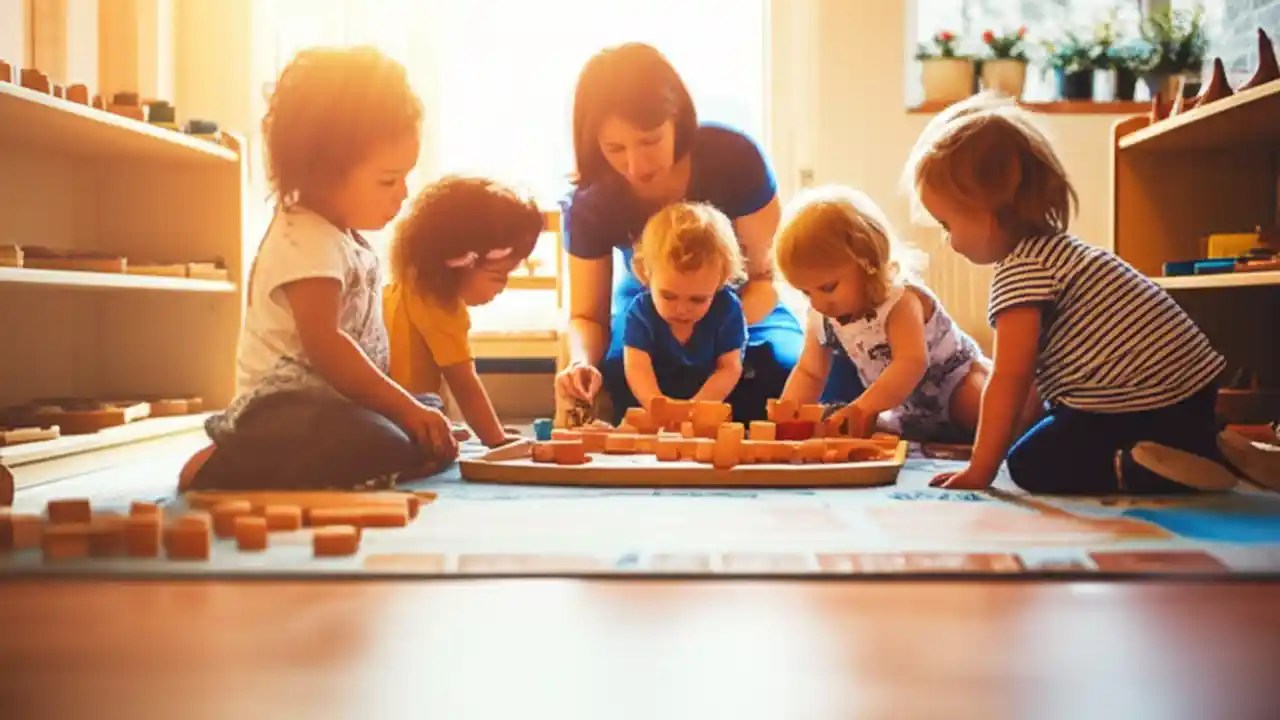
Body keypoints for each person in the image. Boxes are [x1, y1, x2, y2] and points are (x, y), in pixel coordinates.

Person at [907, 92, 1238, 494]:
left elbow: (1010, 378)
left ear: (987, 216)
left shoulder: (1021, 273)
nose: (947, 240)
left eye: (947, 224)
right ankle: (1206, 445)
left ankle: (1140, 466)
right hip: (1191, 396)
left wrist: (982, 467)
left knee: (1031, 463)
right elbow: (1032, 387)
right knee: (1045, 428)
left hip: (1140, 406)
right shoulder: (1062, 253)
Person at [180, 46, 457, 491]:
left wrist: (411, 410)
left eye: (405, 176)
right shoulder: (304, 238)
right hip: (278, 414)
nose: (402, 193)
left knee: (426, 414)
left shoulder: (345, 236)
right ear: (322, 172)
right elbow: (327, 346)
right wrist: (404, 412)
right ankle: (222, 461)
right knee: (387, 437)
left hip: (333, 408)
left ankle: (392, 449)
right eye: (388, 180)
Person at [553, 42, 862, 423]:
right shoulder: (591, 199)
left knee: (784, 370)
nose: (635, 165)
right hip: (648, 300)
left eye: (650, 140)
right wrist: (582, 361)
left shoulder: (732, 156)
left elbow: (765, 278)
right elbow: (587, 314)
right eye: (615, 148)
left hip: (744, 299)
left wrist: (712, 333)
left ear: (677, 118)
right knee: (621, 372)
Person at [775, 185, 989, 441]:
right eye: (806, 293)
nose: (819, 303)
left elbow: (910, 363)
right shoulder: (822, 318)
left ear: (868, 263)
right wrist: (786, 415)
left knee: (974, 405)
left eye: (828, 288)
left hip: (956, 382)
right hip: (907, 409)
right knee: (856, 430)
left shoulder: (900, 301)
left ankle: (1026, 406)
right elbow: (810, 371)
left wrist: (862, 408)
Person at [383, 176, 542, 448]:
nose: (502, 287)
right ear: (460, 263)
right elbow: (464, 383)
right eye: (498, 276)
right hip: (400, 415)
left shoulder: (403, 288)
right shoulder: (440, 305)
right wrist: (496, 438)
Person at [622, 202, 747, 410]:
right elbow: (637, 367)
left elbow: (729, 368)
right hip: (652, 404)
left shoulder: (727, 309)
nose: (681, 309)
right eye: (668, 296)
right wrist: (657, 406)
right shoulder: (641, 311)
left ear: (720, 282)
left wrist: (693, 409)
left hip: (709, 404)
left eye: (697, 299)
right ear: (646, 275)